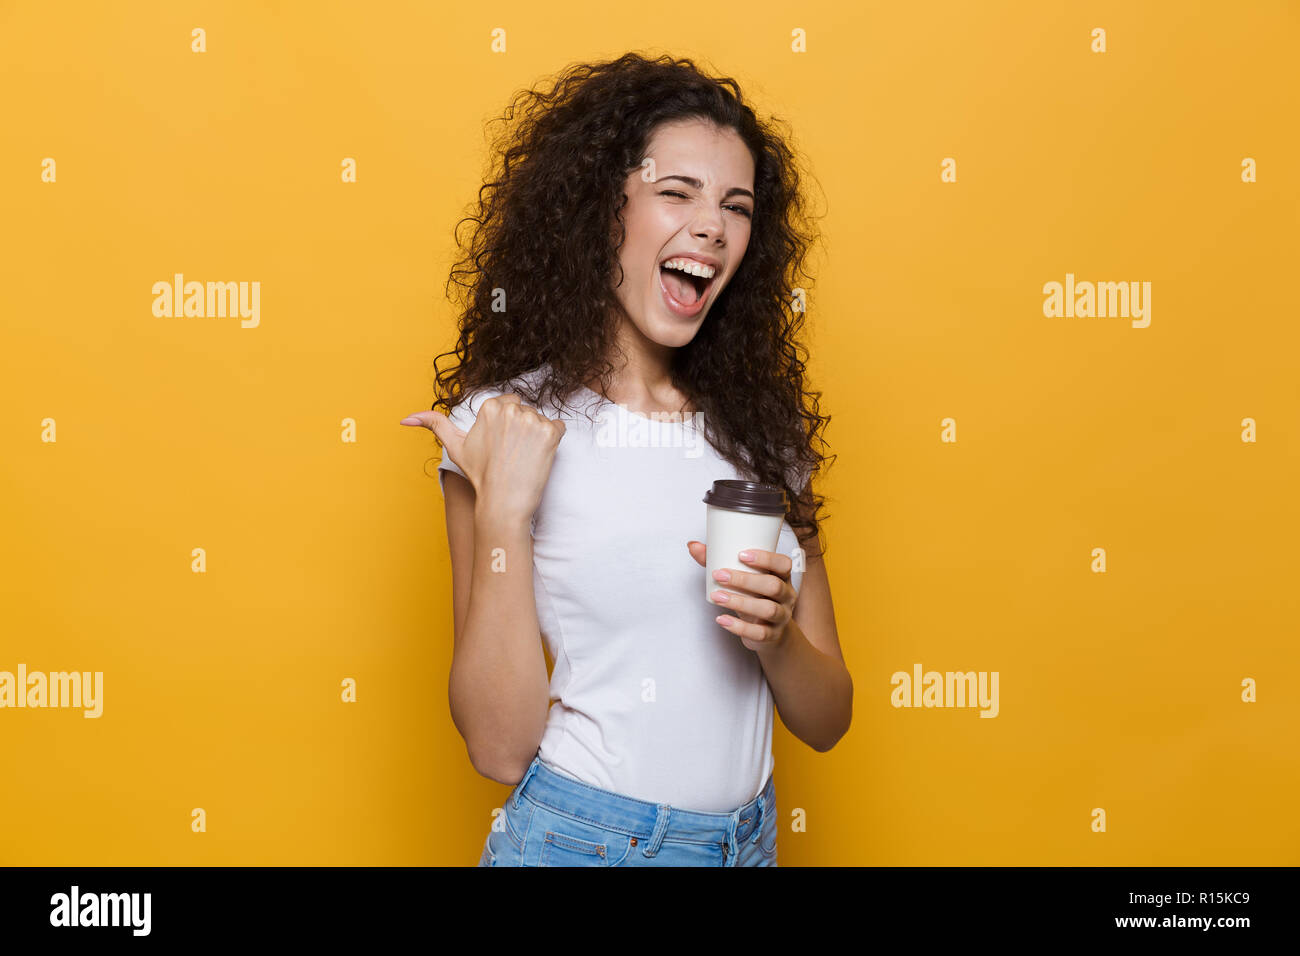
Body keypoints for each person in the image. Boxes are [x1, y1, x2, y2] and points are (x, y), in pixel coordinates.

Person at [400, 53, 851, 866]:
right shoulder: (506, 426)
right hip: (587, 843)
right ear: (598, 210)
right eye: (675, 192)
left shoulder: (763, 433)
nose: (711, 226)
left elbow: (828, 720)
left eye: (736, 207)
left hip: (750, 844)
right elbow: (499, 749)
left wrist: (777, 636)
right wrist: (504, 510)